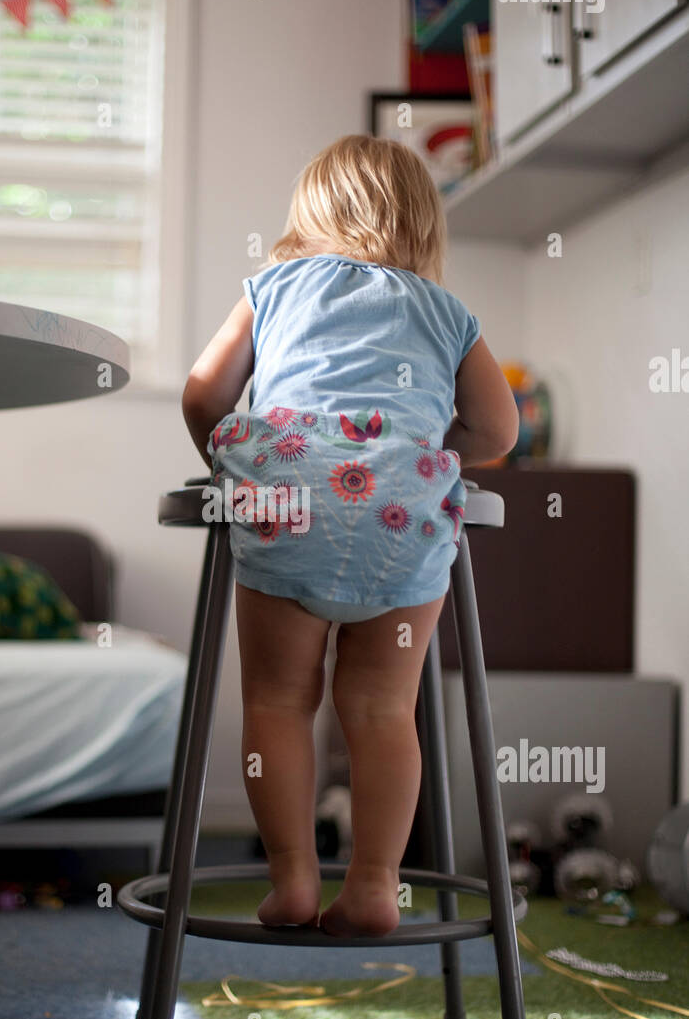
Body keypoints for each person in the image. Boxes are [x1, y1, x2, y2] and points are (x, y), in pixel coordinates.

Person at [182, 134, 518, 937]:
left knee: (276, 700)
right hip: (399, 516)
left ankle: (293, 879)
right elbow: (498, 430)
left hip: (288, 502)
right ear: (423, 227)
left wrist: (233, 461)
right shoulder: (447, 313)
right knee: (380, 708)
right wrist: (429, 452)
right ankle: (374, 884)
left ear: (311, 214)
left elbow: (204, 394)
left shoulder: (272, 288)